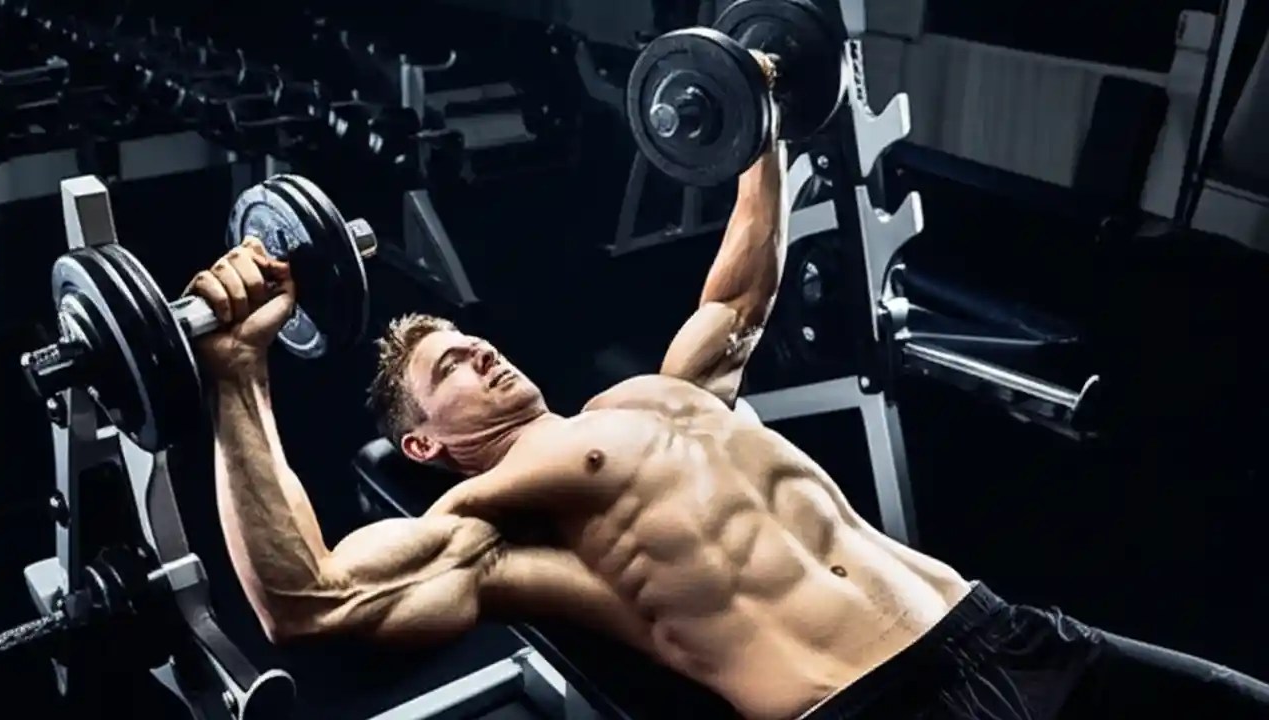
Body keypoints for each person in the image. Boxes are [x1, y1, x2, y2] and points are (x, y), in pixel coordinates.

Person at [192, 137, 1269, 718]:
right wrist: (238, 372)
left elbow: (738, 299)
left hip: (999, 627)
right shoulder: (499, 525)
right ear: (423, 444)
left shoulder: (655, 397)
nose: (481, 355)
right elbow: (310, 600)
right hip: (868, 704)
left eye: (473, 342)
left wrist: (760, 133)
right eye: (450, 369)